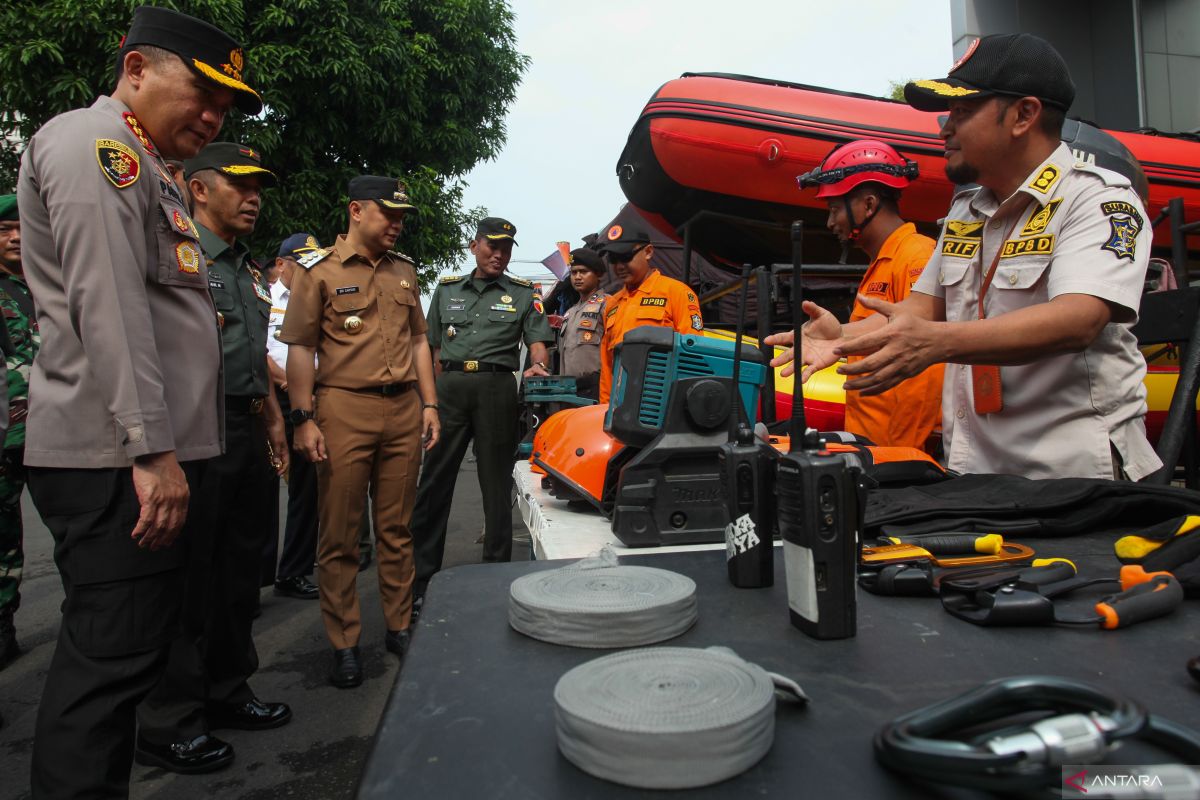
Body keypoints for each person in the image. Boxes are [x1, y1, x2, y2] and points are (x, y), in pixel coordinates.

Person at [16, 6, 260, 796]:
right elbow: (110, 306)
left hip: (134, 454)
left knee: (125, 665)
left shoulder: (141, 162)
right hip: (115, 457)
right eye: (203, 92)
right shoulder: (99, 150)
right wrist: (151, 449)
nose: (214, 115)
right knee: (107, 673)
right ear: (136, 71)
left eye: (227, 105)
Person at [766, 33, 1161, 481]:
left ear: (1024, 115)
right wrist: (842, 338)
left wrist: (938, 343)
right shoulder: (965, 211)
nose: (944, 127)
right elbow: (918, 312)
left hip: (1076, 476)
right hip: (976, 474)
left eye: (962, 111)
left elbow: (1078, 319)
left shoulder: (1097, 200)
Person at [135, 142, 292, 773]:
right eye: (240, 184)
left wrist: (276, 422)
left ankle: (229, 690)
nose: (253, 196)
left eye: (258, 186)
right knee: (188, 581)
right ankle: (171, 718)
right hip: (195, 429)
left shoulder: (246, 269)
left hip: (248, 427)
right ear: (199, 189)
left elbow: (254, 358)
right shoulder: (177, 253)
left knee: (238, 576)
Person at [280, 176, 439, 688]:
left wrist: (429, 402)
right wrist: (303, 418)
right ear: (355, 211)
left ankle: (398, 625)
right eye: (388, 214)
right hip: (343, 407)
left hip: (402, 411)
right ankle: (345, 641)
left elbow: (418, 340)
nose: (397, 224)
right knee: (341, 532)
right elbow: (301, 347)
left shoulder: (404, 272)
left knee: (397, 528)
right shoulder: (319, 271)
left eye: (402, 218)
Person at [410, 218, 554, 605]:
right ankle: (422, 579)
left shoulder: (525, 293)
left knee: (495, 486)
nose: (499, 254)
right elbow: (434, 351)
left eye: (506, 248)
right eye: (492, 246)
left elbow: (538, 341)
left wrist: (538, 364)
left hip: (496, 389)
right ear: (474, 246)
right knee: (434, 483)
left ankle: (495, 573)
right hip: (450, 389)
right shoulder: (446, 290)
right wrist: (430, 401)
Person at [796, 140, 944, 450]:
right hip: (875, 444)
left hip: (897, 451)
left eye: (835, 208)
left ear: (869, 204)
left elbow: (928, 370)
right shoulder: (883, 264)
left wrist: (902, 452)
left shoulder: (916, 255)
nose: (830, 222)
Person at [267, 233, 322, 600]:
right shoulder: (263, 297)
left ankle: (294, 571)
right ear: (282, 264)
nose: (307, 270)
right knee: (262, 491)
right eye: (301, 262)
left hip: (312, 402)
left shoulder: (318, 298)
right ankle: (251, 574)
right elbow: (258, 350)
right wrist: (287, 381)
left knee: (307, 489)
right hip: (271, 400)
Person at [597, 225, 703, 403]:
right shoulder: (611, 304)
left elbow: (693, 354)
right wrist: (604, 408)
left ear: (648, 252)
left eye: (625, 257)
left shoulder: (676, 292)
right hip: (620, 404)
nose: (619, 266)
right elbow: (607, 366)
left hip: (661, 402)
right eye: (614, 259)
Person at [0, 194, 37, 669]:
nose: (14, 238)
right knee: (4, 537)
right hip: (6, 438)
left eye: (20, 228)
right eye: (4, 231)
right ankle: (3, 622)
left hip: (55, 434)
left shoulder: (46, 285)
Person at [557, 247, 608, 400]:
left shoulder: (609, 304)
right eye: (574, 272)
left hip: (596, 388)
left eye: (583, 272)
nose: (577, 277)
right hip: (569, 389)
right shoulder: (570, 312)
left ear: (598, 274)